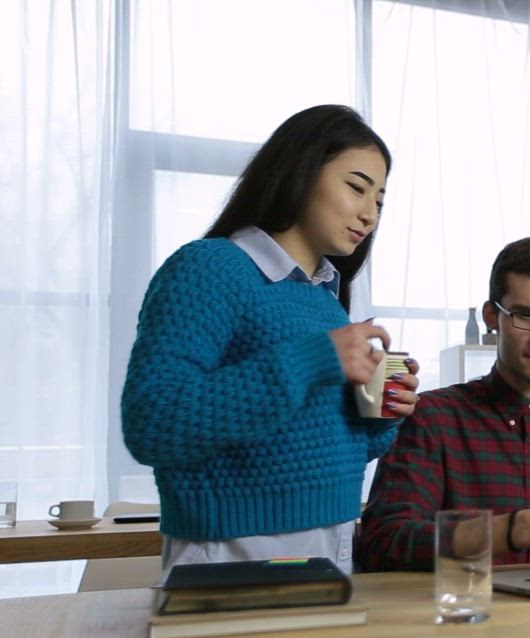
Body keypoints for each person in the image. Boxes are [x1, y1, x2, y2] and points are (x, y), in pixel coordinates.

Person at [121, 105, 419, 574]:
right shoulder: (210, 267)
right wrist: (315, 359)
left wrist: (382, 413)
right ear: (300, 174)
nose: (369, 214)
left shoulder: (325, 300)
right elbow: (153, 423)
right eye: (357, 187)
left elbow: (324, 451)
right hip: (236, 547)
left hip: (336, 536)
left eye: (379, 201)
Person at [357, 236, 530, 571]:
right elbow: (384, 541)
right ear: (492, 316)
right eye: (527, 316)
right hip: (471, 616)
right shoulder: (433, 419)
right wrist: (520, 529)